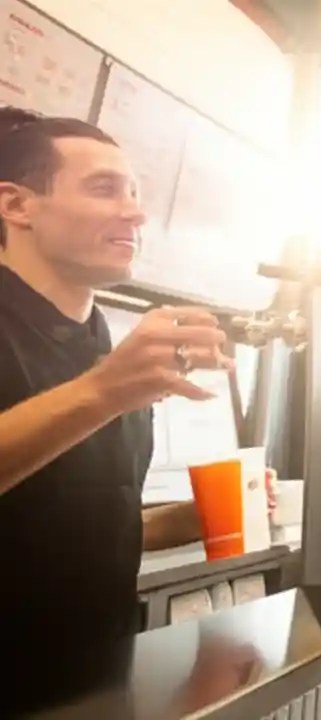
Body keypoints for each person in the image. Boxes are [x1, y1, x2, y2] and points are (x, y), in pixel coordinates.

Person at [0, 107, 231, 708]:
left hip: (93, 680)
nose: (135, 213)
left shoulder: (106, 343)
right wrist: (105, 390)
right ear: (16, 205)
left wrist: (184, 521)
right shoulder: (109, 371)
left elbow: (56, 519)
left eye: (134, 192)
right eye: (104, 189)